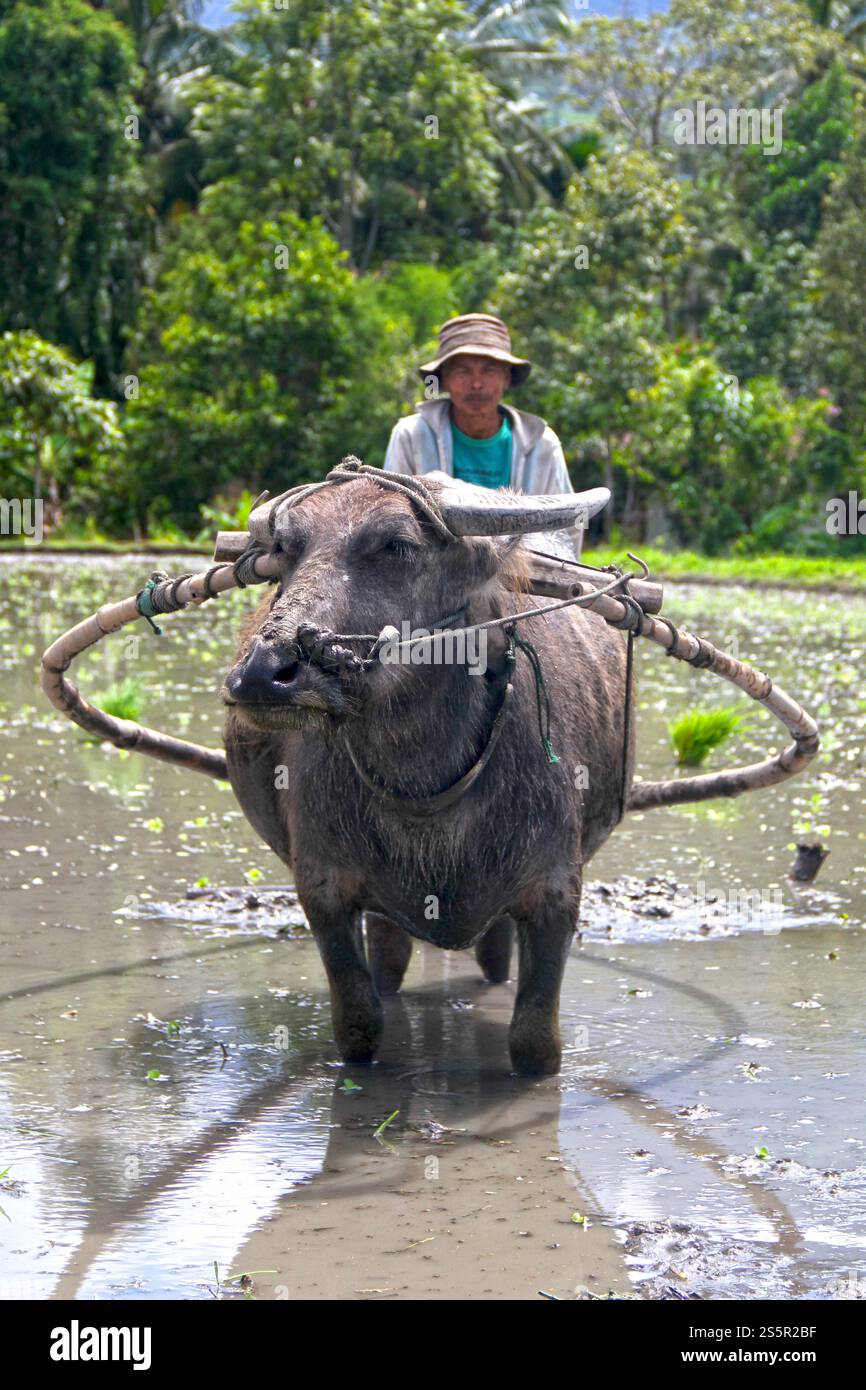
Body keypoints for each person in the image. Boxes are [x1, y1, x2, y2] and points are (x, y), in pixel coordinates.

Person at [384, 313, 582, 556]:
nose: (476, 384)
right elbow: (391, 518)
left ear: (507, 378)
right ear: (444, 380)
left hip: (523, 581)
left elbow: (567, 530)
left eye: (489, 370)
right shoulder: (411, 436)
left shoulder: (541, 445)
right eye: (463, 371)